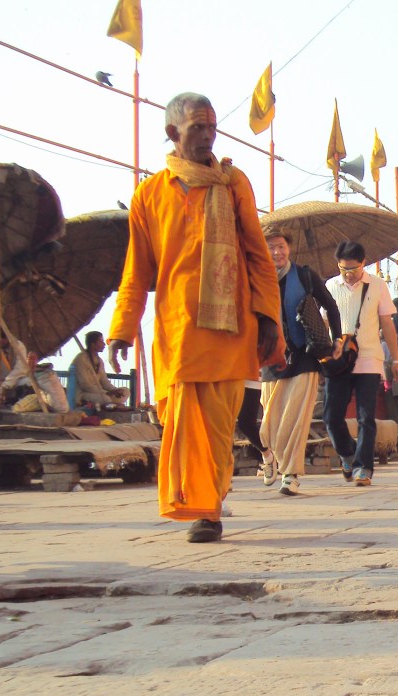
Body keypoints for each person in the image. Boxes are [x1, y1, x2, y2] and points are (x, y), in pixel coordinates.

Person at [109, 91, 282, 543]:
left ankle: (210, 508)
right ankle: (203, 504)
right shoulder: (149, 196)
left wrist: (268, 316)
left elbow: (258, 257)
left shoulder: (233, 183)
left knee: (219, 426)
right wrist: (121, 330)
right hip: (177, 331)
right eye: (196, 129)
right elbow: (136, 271)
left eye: (212, 128)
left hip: (230, 327)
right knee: (185, 424)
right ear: (173, 134)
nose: (207, 137)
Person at [260, 226, 341, 496]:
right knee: (269, 423)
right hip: (270, 358)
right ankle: (270, 457)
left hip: (304, 356)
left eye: (281, 246)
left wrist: (337, 339)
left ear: (289, 248)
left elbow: (330, 305)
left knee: (295, 419)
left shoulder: (305, 275)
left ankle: (290, 474)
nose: (276, 252)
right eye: (270, 247)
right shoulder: (257, 279)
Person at [323, 241, 398, 487]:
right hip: (339, 360)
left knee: (366, 416)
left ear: (363, 263)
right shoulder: (330, 286)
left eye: (353, 269)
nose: (348, 274)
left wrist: (395, 359)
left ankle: (363, 468)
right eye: (344, 269)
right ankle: (347, 454)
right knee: (331, 416)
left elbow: (387, 323)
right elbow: (323, 323)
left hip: (369, 357)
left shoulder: (377, 285)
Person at [68, 331, 130, 408]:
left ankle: (112, 404)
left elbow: (104, 381)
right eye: (101, 341)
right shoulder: (81, 359)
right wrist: (105, 393)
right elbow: (85, 384)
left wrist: (114, 390)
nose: (104, 344)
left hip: (100, 393)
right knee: (105, 399)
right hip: (84, 393)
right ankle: (111, 405)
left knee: (126, 391)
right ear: (93, 344)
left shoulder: (99, 361)